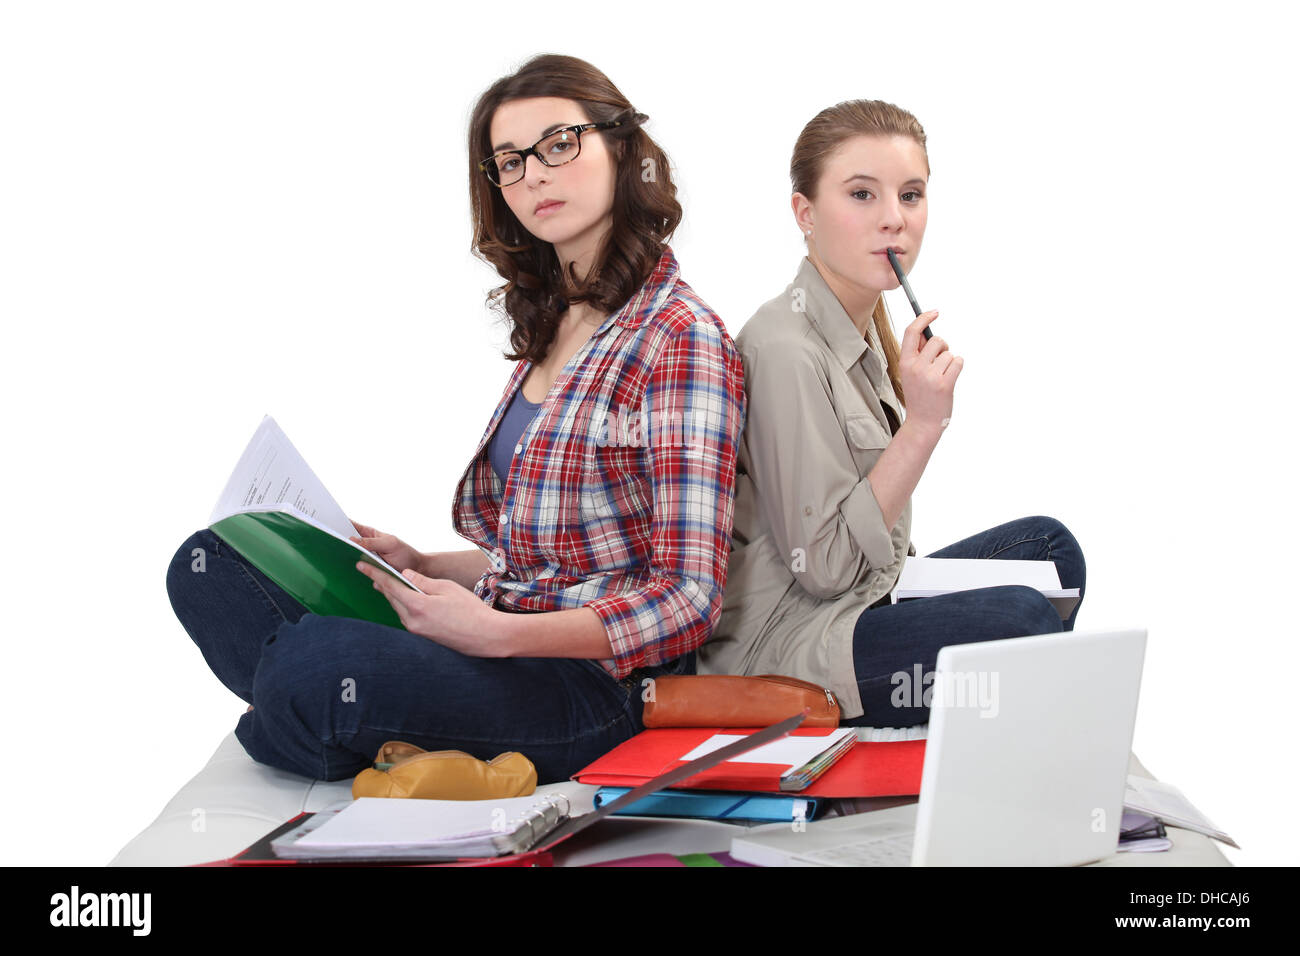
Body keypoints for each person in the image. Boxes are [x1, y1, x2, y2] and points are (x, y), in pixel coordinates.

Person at [166, 54, 745, 782]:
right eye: (510, 160)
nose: (534, 174)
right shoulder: (557, 322)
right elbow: (552, 561)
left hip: (587, 689)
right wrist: (428, 566)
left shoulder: (680, 337)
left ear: (622, 148)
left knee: (317, 665)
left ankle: (319, 712)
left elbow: (690, 599)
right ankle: (332, 717)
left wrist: (497, 636)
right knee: (212, 562)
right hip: (499, 629)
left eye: (559, 144)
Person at [697, 99, 1085, 727]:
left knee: (1049, 550)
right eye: (861, 195)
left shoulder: (865, 325)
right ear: (805, 213)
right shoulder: (785, 349)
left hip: (866, 598)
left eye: (910, 195)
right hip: (791, 646)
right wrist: (924, 425)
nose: (893, 221)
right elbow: (822, 570)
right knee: (1024, 622)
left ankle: (996, 731)